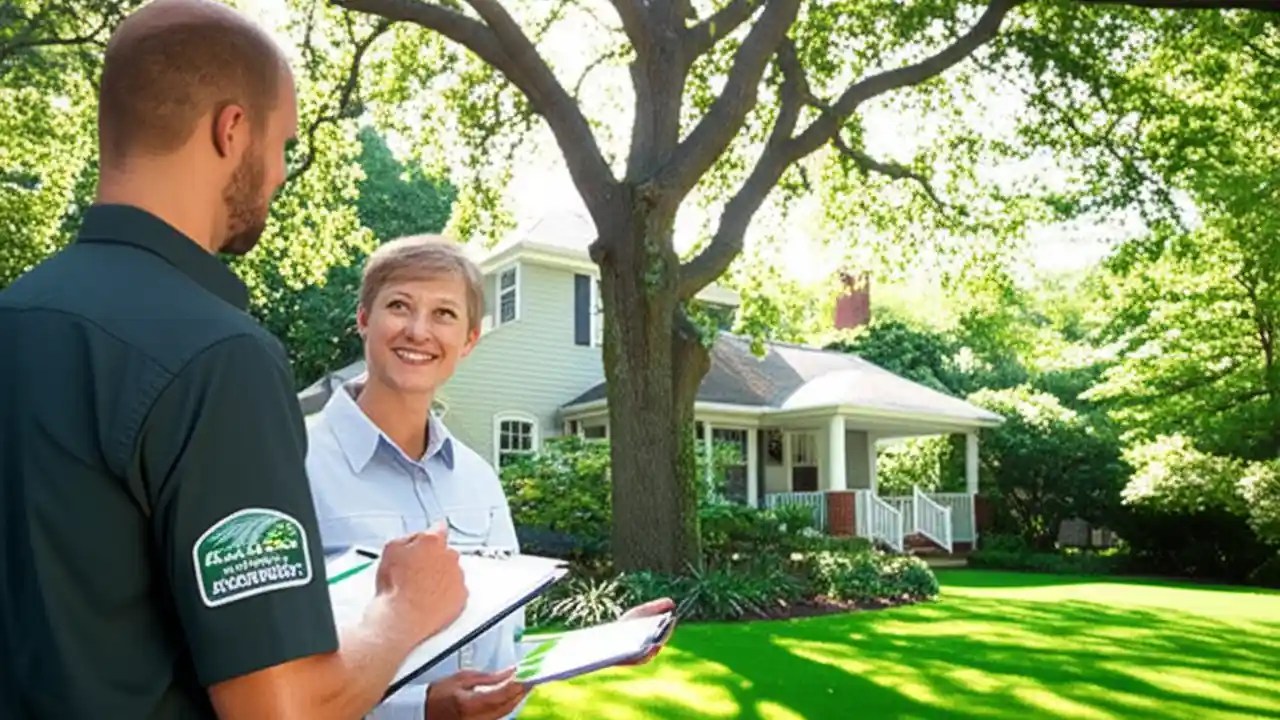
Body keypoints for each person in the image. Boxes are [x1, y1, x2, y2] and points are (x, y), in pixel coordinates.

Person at [0, 1, 466, 717]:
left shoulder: (19, 317)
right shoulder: (220, 358)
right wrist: (405, 609)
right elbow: (279, 708)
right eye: (283, 144)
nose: (280, 174)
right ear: (232, 129)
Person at [306, 235, 675, 720]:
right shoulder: (292, 466)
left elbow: (499, 645)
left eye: (444, 314)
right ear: (363, 319)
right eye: (399, 305)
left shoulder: (478, 480)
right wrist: (422, 709)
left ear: (470, 339)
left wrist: (599, 644)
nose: (419, 331)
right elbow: (267, 680)